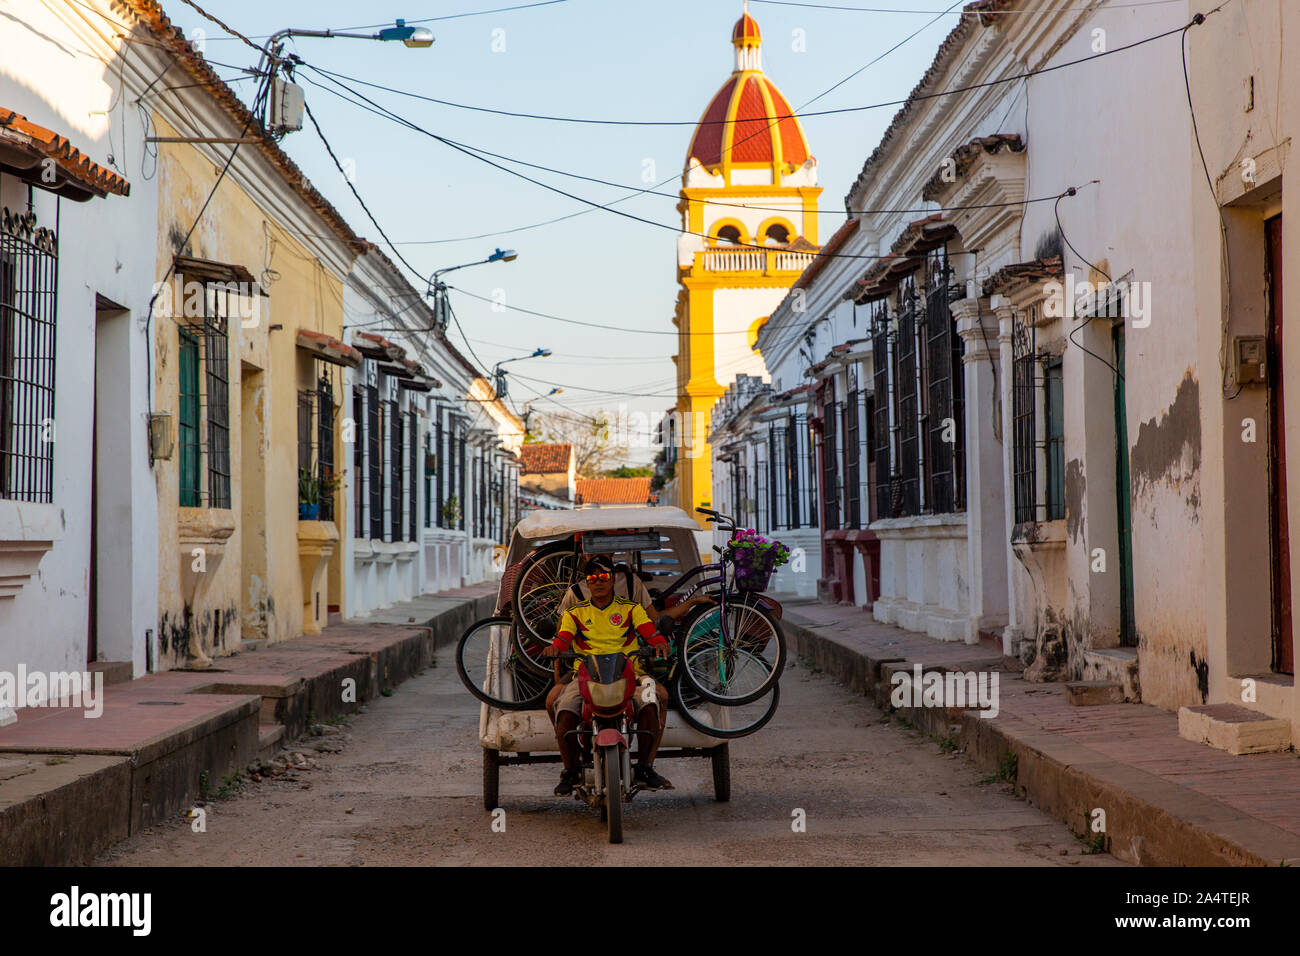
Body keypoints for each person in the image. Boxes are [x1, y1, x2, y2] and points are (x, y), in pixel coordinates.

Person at [544, 555, 704, 796]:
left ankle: (645, 768)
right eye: (593, 578)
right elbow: (563, 637)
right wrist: (555, 647)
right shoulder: (574, 613)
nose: (598, 582)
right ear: (588, 582)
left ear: (612, 579)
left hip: (633, 675)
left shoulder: (631, 609)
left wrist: (659, 643)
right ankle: (570, 771)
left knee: (654, 700)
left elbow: (650, 632)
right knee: (565, 710)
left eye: (604, 576)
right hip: (584, 676)